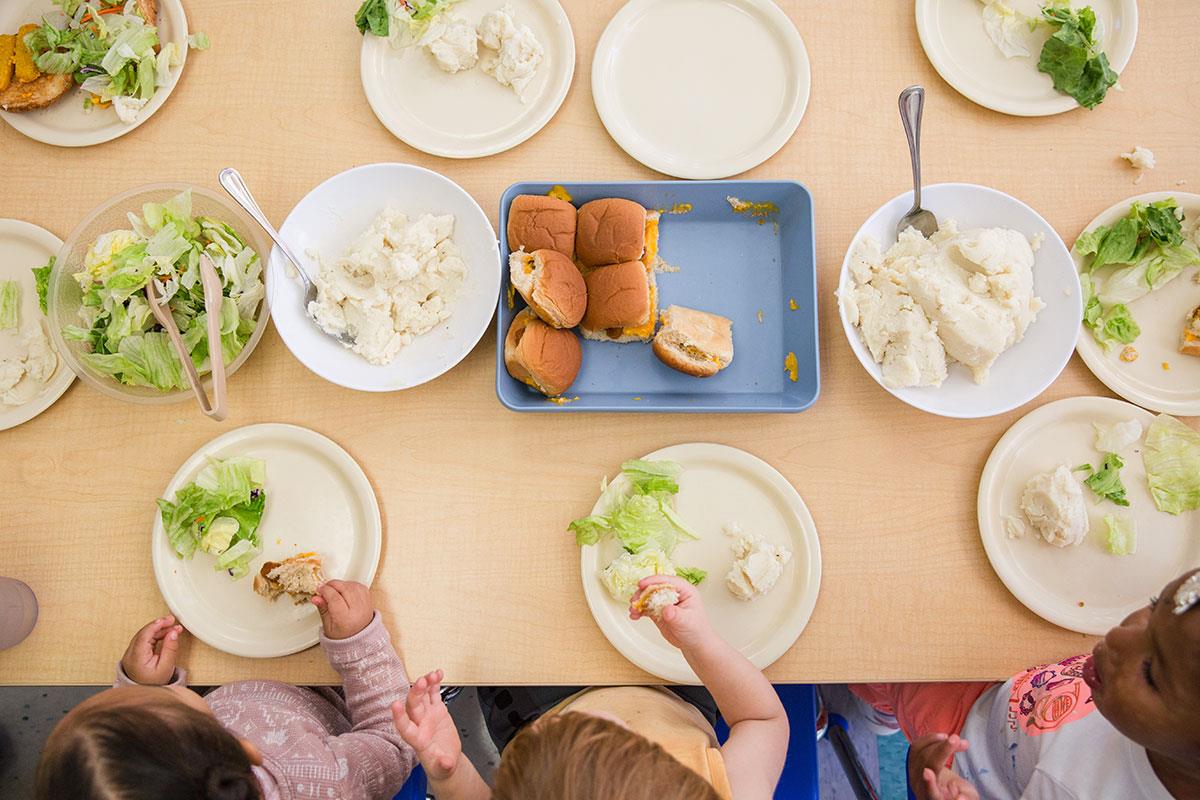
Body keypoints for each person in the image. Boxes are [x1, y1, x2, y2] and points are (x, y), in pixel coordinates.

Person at [392, 575, 790, 800]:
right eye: (624, 731)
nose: (613, 711)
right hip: (678, 690)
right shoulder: (729, 793)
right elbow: (762, 718)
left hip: (530, 709)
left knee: (497, 603)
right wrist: (700, 642)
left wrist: (448, 771)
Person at [35, 580, 415, 800]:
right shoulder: (324, 779)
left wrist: (146, 686)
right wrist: (359, 644)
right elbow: (395, 743)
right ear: (244, 747)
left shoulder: (198, 763)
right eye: (143, 702)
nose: (124, 692)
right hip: (331, 694)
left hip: (240, 683)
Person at [853, 568, 1200, 800]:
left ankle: (877, 719)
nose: (1118, 637)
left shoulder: (1070, 789)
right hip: (1025, 688)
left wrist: (929, 779)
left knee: (878, 656)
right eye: (1155, 607)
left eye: (1151, 671)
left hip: (965, 742)